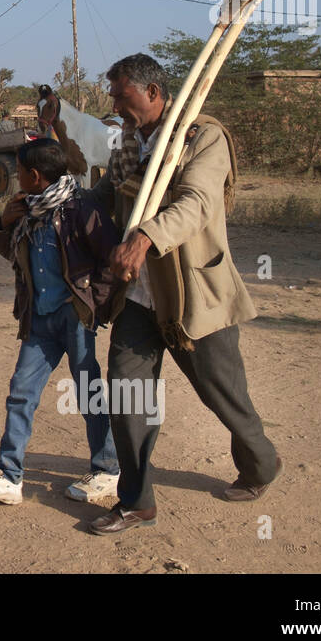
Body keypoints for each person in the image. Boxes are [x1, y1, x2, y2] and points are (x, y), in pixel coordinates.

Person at [86, 53, 279, 535]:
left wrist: (146, 236)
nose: (113, 101)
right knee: (128, 398)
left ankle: (260, 465)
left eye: (121, 93)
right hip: (138, 298)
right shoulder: (128, 142)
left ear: (152, 93)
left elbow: (196, 202)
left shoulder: (203, 136)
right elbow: (108, 194)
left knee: (223, 394)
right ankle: (136, 501)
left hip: (194, 293)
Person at [0, 138, 122, 506]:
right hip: (39, 319)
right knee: (21, 391)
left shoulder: (81, 208)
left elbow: (112, 260)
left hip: (74, 318)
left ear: (34, 176)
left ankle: (107, 470)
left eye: (19, 171)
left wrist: (90, 302)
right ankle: (8, 476)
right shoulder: (25, 209)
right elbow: (10, 251)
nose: (16, 178)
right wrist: (3, 223)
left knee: (88, 391)